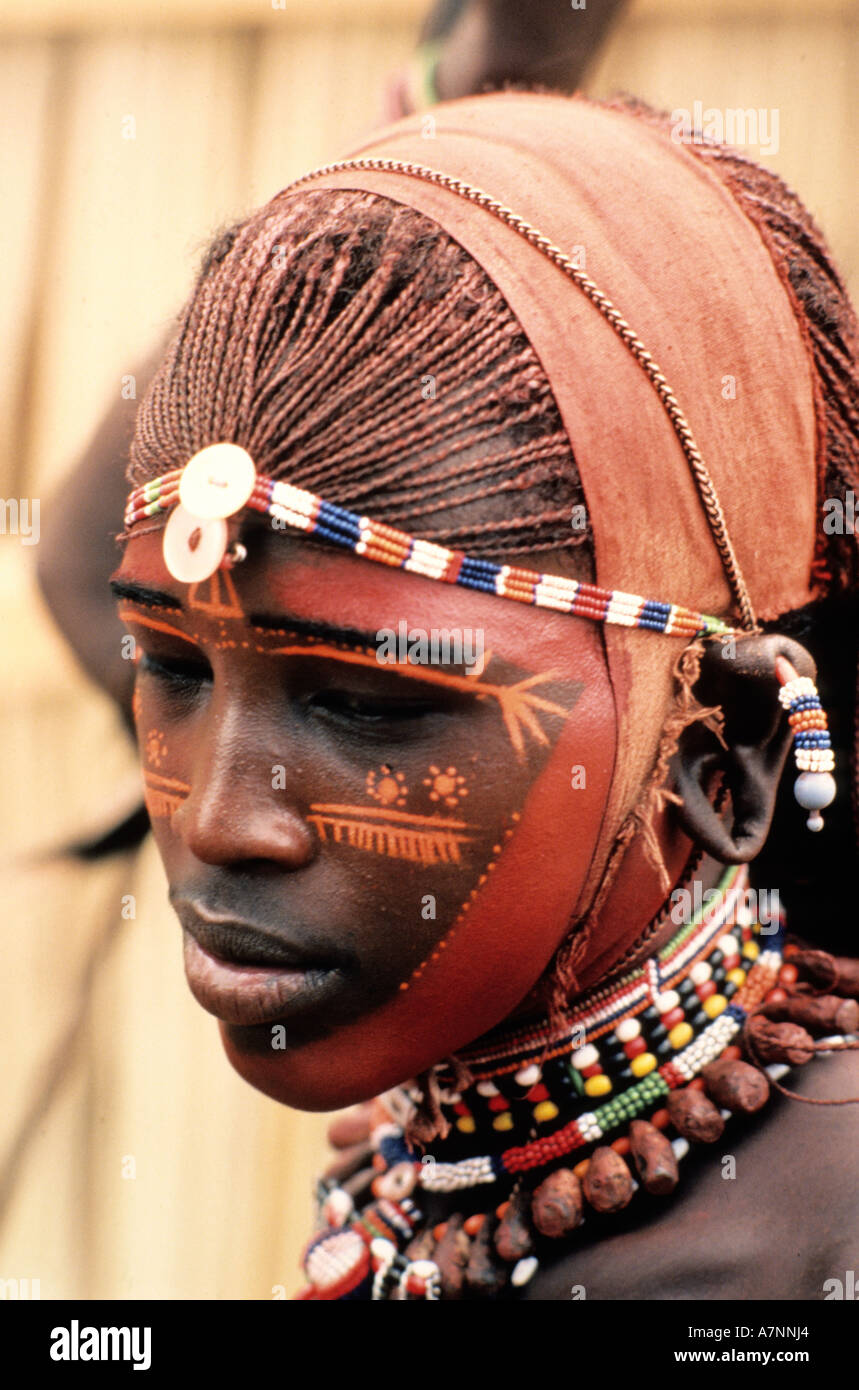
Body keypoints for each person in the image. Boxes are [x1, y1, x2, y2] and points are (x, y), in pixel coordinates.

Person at [112, 91, 858, 1301]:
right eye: (172, 668)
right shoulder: (430, 1172)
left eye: (365, 706)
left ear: (725, 757)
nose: (218, 820)